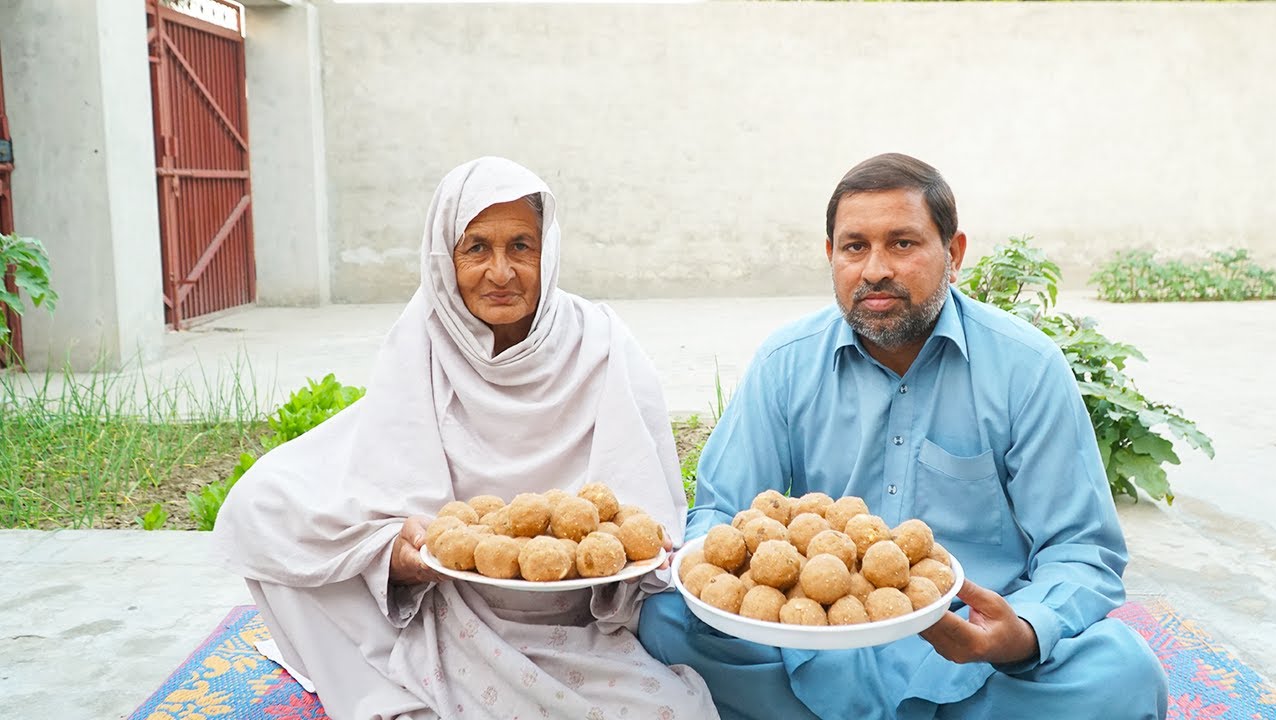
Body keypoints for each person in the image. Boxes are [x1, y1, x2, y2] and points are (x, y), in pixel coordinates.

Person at [636, 153, 1167, 720]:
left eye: (903, 244)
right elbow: (722, 511)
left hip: (970, 651)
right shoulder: (785, 363)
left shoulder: (1027, 368)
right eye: (854, 246)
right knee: (662, 620)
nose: (874, 270)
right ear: (831, 255)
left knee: (1124, 673)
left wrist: (1020, 633)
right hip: (812, 642)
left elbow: (1081, 549)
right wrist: (703, 568)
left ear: (954, 254)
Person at [213, 157, 719, 720]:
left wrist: (618, 555)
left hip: (574, 608)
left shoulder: (599, 341)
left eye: (520, 246)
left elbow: (641, 510)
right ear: (443, 256)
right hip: (445, 600)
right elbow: (388, 482)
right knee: (262, 512)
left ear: (546, 250)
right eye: (476, 247)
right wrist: (394, 552)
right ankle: (391, 694)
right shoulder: (421, 338)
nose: (500, 272)